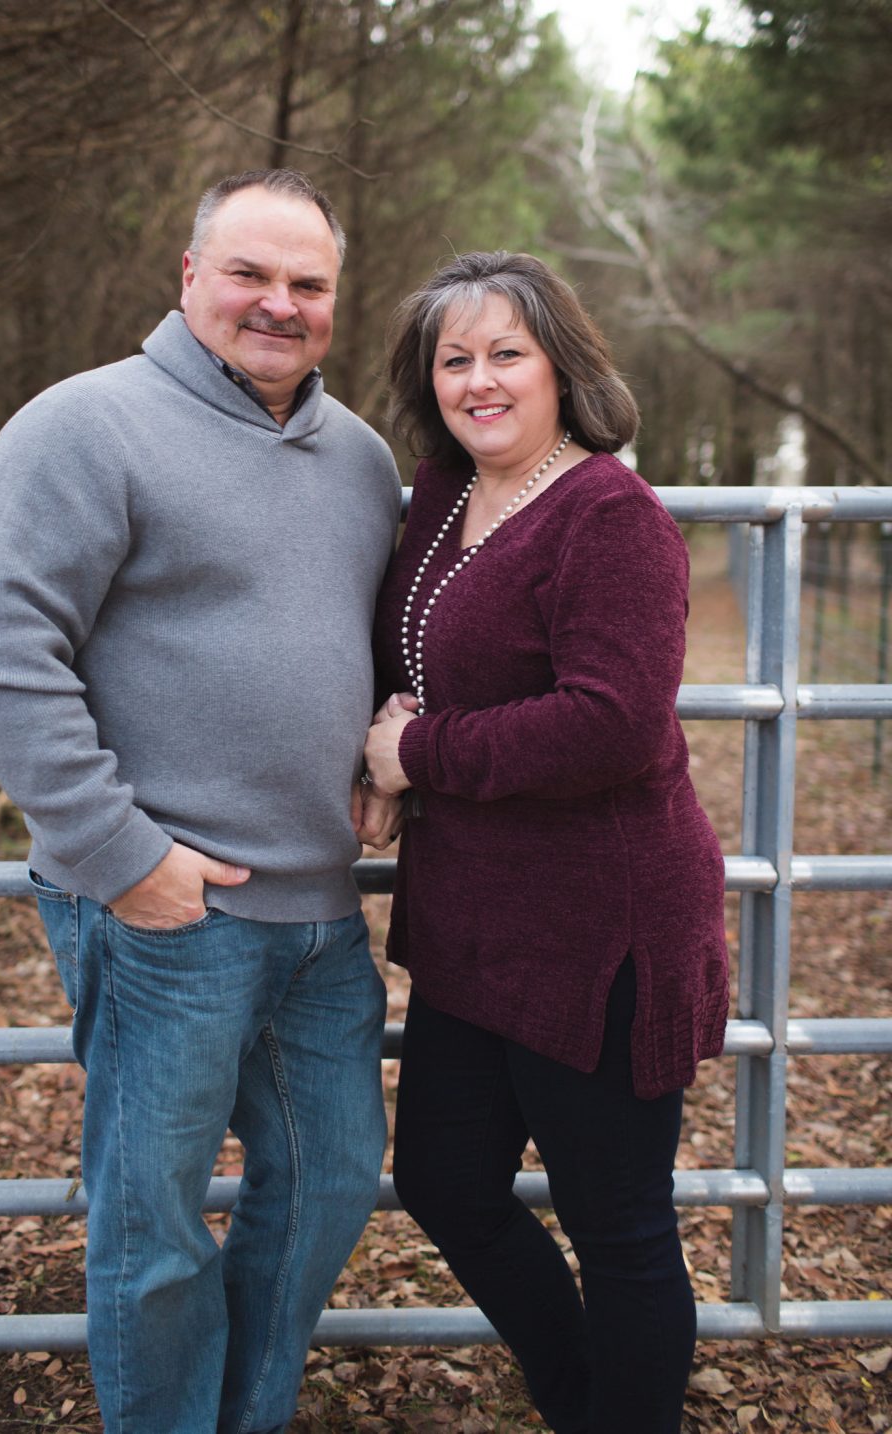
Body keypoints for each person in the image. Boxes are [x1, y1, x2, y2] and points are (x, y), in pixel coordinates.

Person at [0, 168, 404, 1434]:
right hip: (161, 914)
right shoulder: (83, 426)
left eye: (308, 284)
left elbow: (368, 648)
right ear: (187, 277)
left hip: (319, 914)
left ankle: (240, 1416)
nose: (279, 303)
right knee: (152, 1231)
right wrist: (122, 854)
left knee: (329, 1187)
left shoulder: (359, 458)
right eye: (249, 273)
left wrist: (386, 755)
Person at [364, 250, 730, 1434]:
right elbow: (417, 651)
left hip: (600, 927)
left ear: (560, 368)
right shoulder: (438, 498)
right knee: (443, 1181)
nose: (479, 379)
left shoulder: (610, 516)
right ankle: (586, 1401)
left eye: (505, 353)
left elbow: (614, 725)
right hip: (478, 925)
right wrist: (377, 732)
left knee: (618, 1223)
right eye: (454, 358)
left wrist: (415, 758)